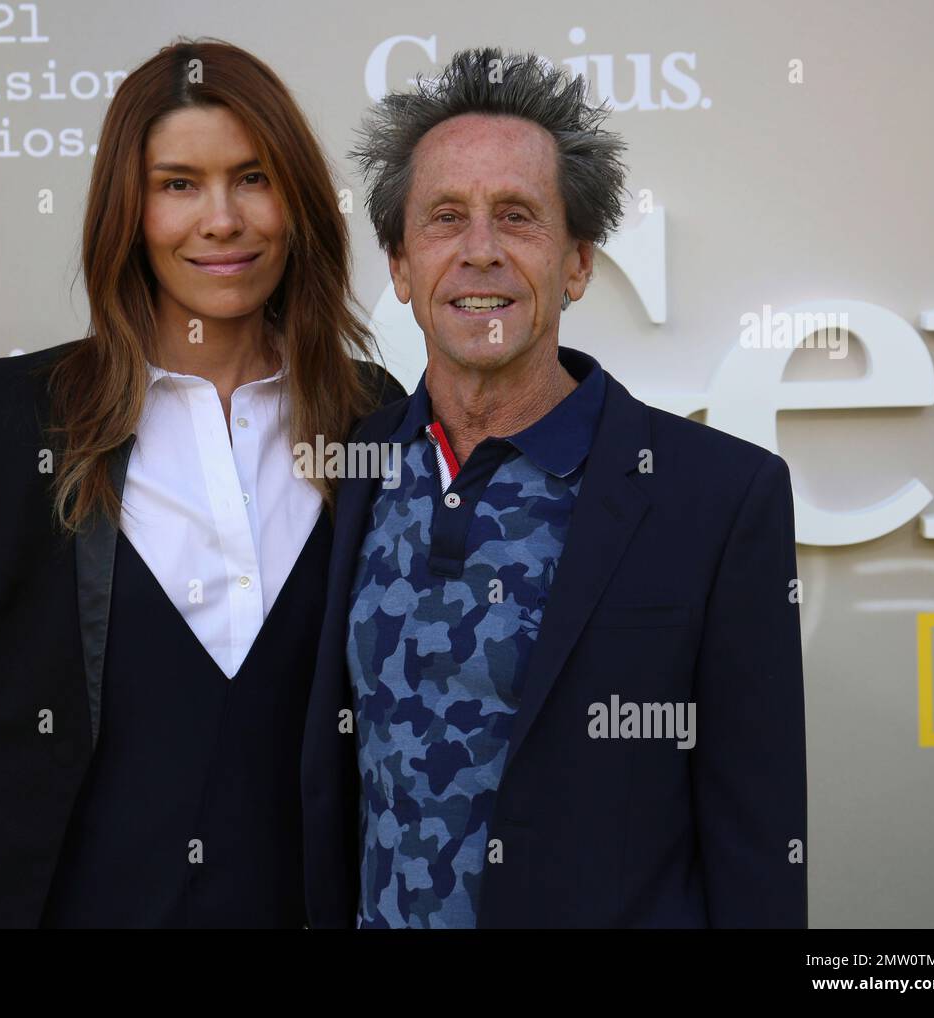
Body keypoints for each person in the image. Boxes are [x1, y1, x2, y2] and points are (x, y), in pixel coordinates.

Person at [0, 37, 403, 928]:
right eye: (178, 184)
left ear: (299, 201)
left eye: (253, 178)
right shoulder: (18, 416)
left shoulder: (377, 419)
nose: (221, 220)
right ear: (128, 211)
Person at [301, 47, 807, 928]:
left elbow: (758, 841)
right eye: (446, 218)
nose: (481, 252)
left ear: (576, 265)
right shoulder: (350, 467)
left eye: (519, 217)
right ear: (401, 267)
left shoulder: (720, 498)